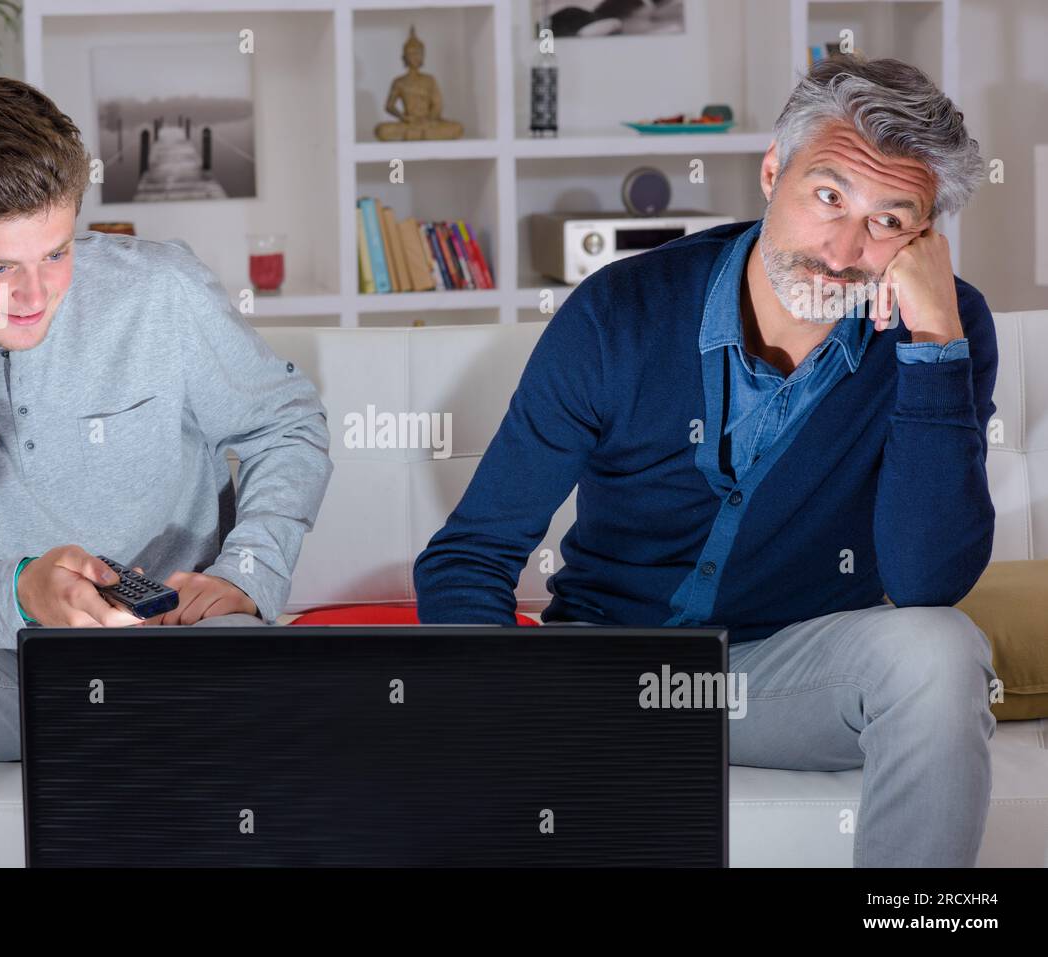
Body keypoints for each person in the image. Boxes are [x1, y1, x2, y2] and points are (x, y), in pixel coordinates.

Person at [414, 57, 998, 867]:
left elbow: (930, 579)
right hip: (606, 668)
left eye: (889, 221)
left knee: (942, 648)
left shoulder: (946, 327)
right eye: (828, 196)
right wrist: (499, 713)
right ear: (771, 170)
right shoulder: (621, 312)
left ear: (924, 238)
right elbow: (470, 554)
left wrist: (935, 344)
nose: (842, 250)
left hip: (781, 680)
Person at [0, 72, 332, 866]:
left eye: (55, 252)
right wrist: (20, 588)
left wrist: (250, 570)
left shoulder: (162, 290)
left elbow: (286, 423)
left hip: (175, 652)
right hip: (1, 666)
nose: (33, 294)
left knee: (250, 678)